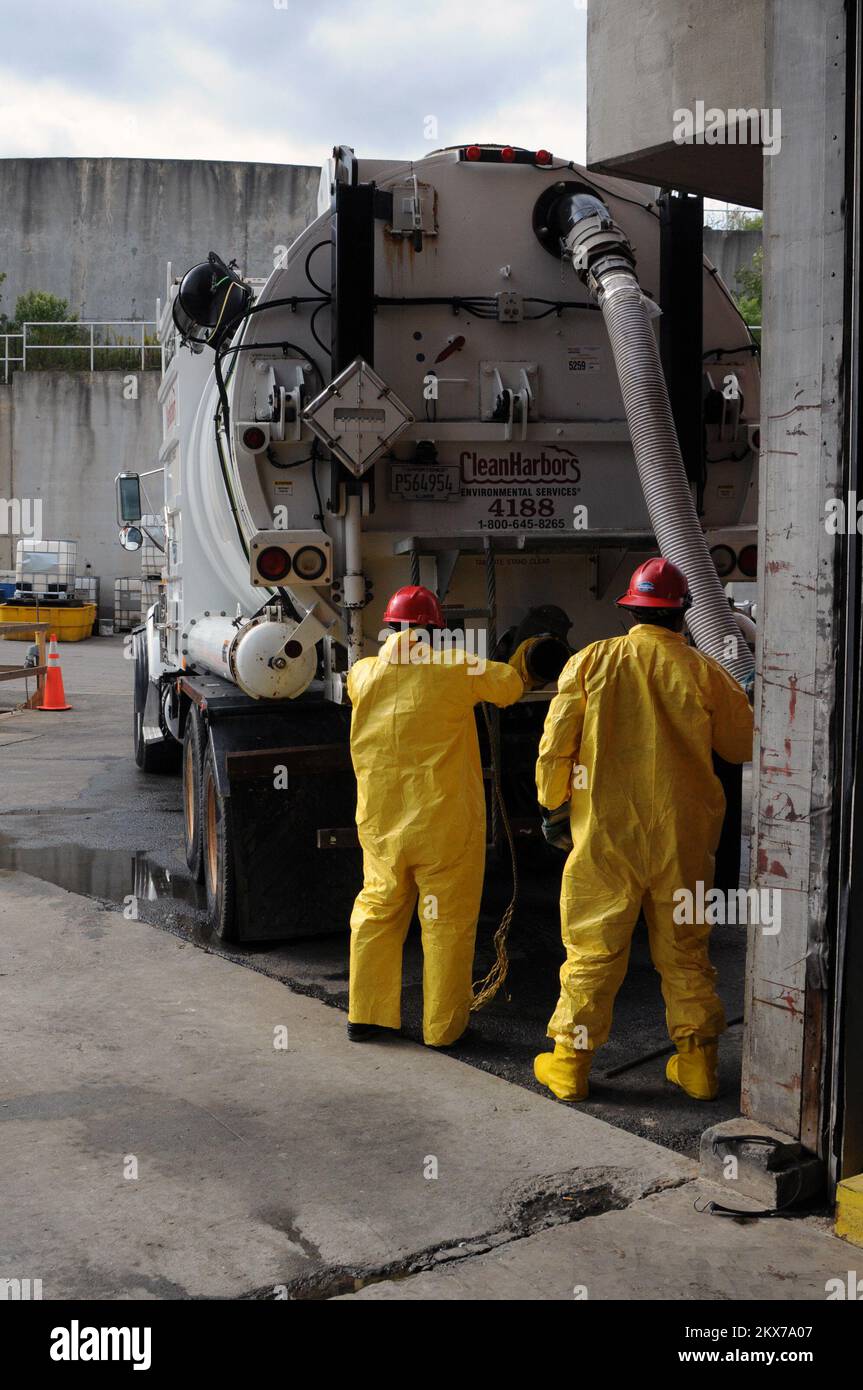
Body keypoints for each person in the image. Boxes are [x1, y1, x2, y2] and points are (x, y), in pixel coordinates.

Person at [533, 557, 754, 1103]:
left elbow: (556, 744)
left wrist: (552, 800)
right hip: (684, 838)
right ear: (682, 615)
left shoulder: (591, 661)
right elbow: (742, 746)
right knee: (686, 950)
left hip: (607, 836)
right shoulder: (705, 671)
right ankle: (698, 1066)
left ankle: (570, 1066)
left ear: (630, 609)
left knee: (593, 950)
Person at [346, 585, 524, 1048]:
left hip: (383, 824)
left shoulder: (363, 674)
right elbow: (509, 686)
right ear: (433, 629)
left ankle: (367, 1017)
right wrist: (518, 654)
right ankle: (443, 1030)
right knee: (445, 922)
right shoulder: (456, 668)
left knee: (377, 910)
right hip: (445, 824)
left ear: (389, 627)